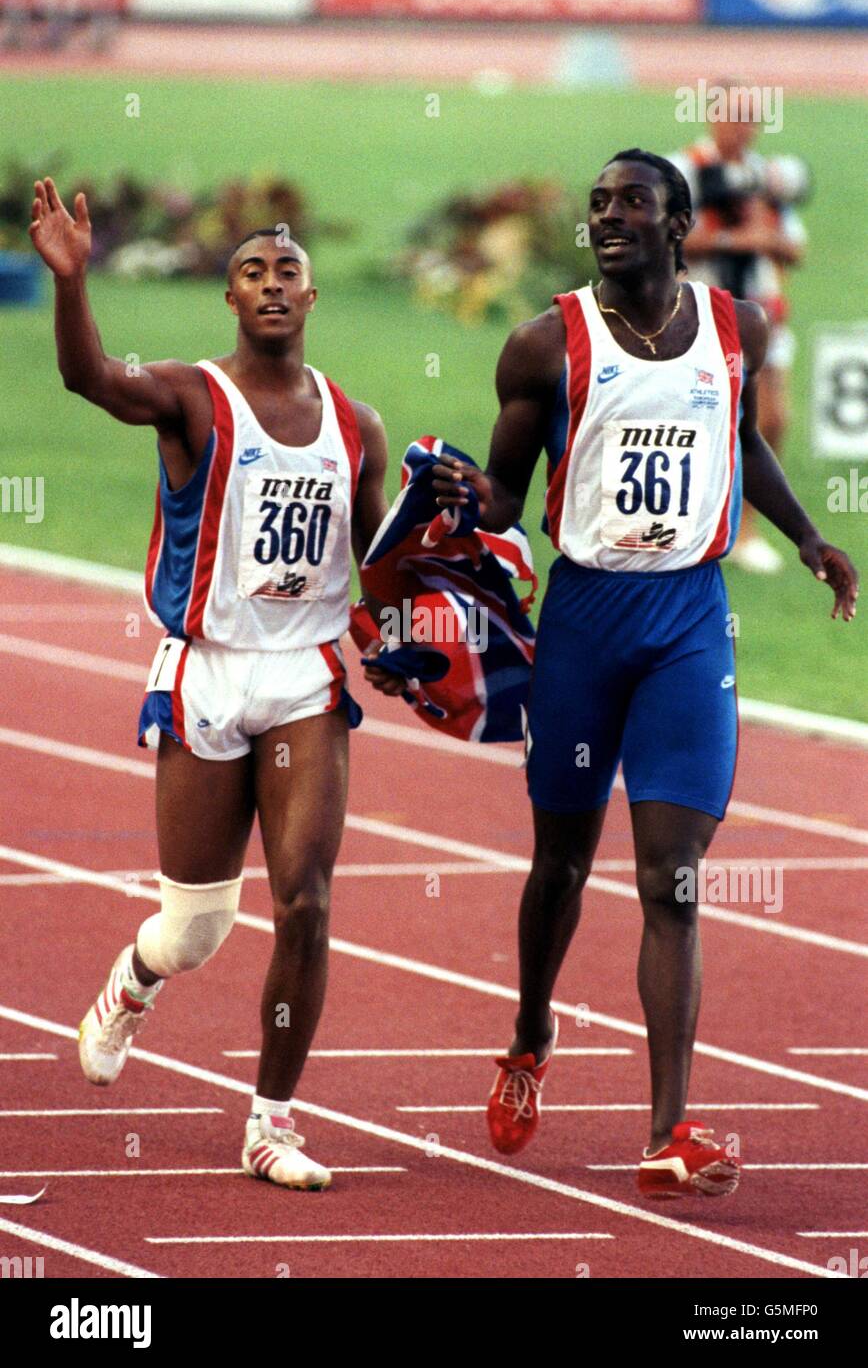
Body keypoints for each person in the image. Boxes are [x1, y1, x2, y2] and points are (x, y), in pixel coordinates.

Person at [430, 150, 858, 1199]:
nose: (609, 218)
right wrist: (460, 495)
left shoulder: (733, 331)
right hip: (584, 619)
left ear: (678, 228)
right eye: (597, 205)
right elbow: (502, 498)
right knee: (564, 863)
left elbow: (742, 440)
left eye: (632, 204)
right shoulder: (543, 345)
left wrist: (806, 536)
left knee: (672, 875)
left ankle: (668, 1125)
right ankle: (530, 1032)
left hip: (685, 621)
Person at [30, 177, 398, 1191]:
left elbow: (376, 558)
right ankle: (135, 979)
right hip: (204, 671)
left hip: (306, 677)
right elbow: (91, 378)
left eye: (288, 271)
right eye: (251, 272)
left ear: (312, 299)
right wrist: (72, 283)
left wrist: (423, 607)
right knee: (196, 926)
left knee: (307, 901)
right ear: (229, 300)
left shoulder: (356, 426)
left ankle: (271, 1121)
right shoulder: (193, 396)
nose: (272, 284)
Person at [669, 86, 810, 574]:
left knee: (771, 421)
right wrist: (734, 238)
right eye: (732, 117)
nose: (742, 127)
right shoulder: (683, 170)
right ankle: (687, 524)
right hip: (702, 316)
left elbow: (794, 248)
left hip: (762, 313)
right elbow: (669, 238)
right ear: (711, 118)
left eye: (749, 118)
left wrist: (765, 234)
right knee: (695, 425)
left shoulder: (764, 177)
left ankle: (745, 529)